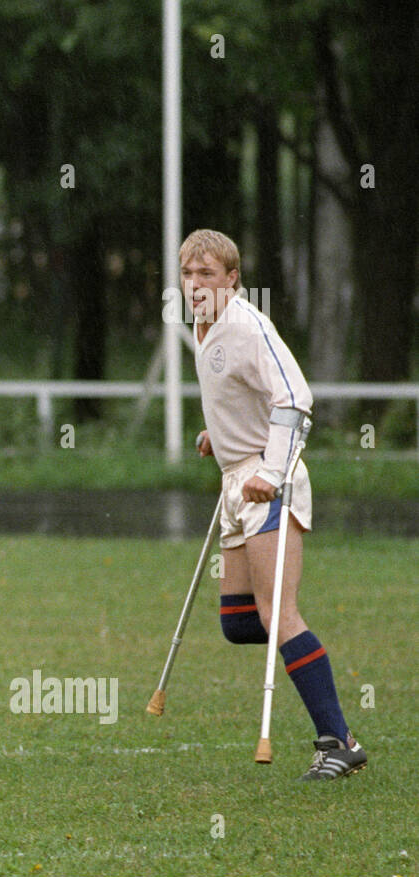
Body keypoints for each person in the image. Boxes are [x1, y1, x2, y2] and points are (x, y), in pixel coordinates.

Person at [182, 228, 365, 781]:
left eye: (206, 275)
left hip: (271, 481)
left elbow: (295, 397)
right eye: (188, 275)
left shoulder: (248, 326)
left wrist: (269, 468)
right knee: (240, 623)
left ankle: (338, 742)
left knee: (276, 616)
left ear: (232, 280)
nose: (194, 286)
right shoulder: (202, 326)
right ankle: (300, 641)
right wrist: (222, 432)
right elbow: (245, 395)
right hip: (235, 481)